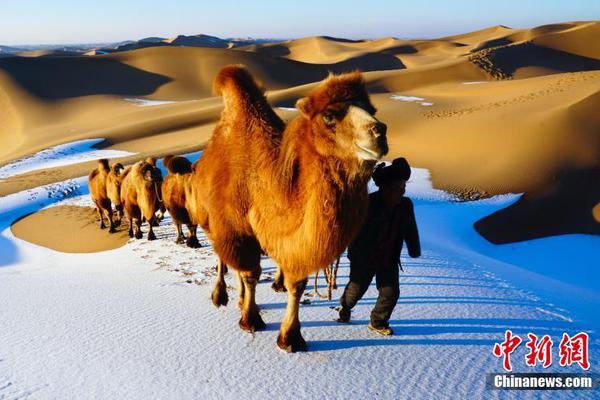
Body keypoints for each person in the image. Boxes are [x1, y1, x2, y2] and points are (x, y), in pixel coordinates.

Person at [337, 157, 421, 335]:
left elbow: (410, 228)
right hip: (363, 258)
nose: (402, 191)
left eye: (403, 187)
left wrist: (414, 249)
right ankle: (344, 306)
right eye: (398, 187)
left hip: (389, 258)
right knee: (356, 290)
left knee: (390, 292)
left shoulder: (405, 205)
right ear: (385, 187)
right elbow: (350, 227)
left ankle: (378, 321)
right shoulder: (367, 203)